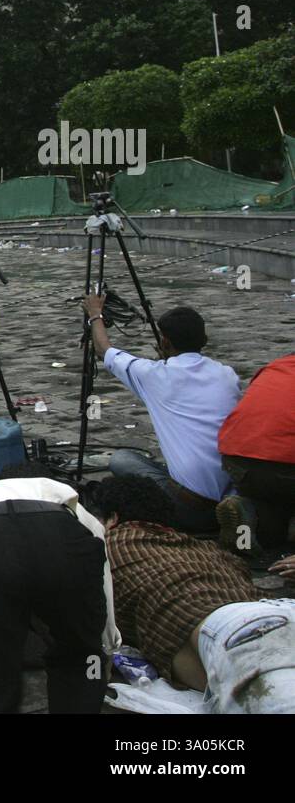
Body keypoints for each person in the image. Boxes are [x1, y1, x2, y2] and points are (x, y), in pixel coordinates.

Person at [88, 475, 294, 713]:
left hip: (244, 630)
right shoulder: (208, 550)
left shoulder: (103, 547)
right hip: (275, 610)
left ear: (113, 519)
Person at [0, 461, 119, 714]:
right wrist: (102, 649)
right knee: (81, 659)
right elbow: (99, 587)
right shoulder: (74, 508)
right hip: (60, 538)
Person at [82, 296, 241, 531]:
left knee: (122, 460)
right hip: (231, 493)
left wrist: (95, 313)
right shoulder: (227, 375)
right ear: (204, 340)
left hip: (191, 509)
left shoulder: (153, 375)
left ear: (165, 342)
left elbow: (102, 349)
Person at [216, 352, 295, 555]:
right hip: (285, 466)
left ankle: (245, 528)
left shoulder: (276, 367)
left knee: (269, 517)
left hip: (239, 463)